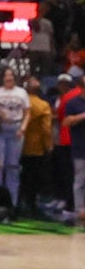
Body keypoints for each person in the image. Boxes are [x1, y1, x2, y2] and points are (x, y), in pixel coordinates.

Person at [0, 63, 29, 208]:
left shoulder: (21, 93)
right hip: (0, 129)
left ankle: (13, 203)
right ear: (2, 78)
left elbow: (27, 112)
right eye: (6, 76)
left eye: (11, 75)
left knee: (13, 167)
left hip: (16, 128)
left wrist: (23, 128)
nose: (8, 78)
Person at [18, 75, 53, 219]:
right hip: (36, 148)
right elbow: (46, 129)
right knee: (34, 179)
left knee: (20, 177)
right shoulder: (43, 105)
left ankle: (18, 205)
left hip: (19, 145)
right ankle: (31, 207)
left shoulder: (21, 103)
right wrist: (49, 146)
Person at [60, 70, 85, 221]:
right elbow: (66, 122)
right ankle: (80, 209)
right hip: (80, 148)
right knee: (80, 180)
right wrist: (83, 116)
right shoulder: (73, 103)